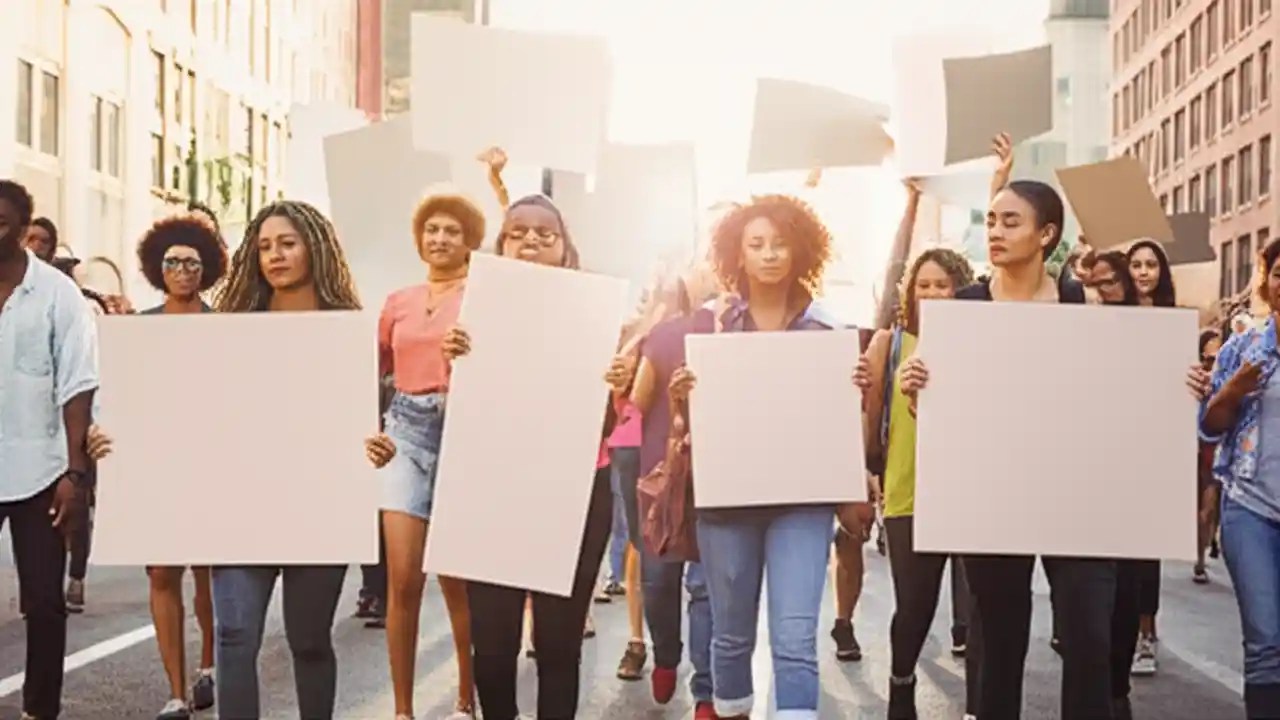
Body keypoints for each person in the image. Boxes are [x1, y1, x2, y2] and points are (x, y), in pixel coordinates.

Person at [898, 178, 1210, 720]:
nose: (994, 231)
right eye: (991, 221)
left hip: (1078, 502)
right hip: (995, 503)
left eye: (1010, 221)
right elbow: (941, 416)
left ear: (1047, 233)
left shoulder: (1083, 304)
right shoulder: (964, 309)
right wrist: (918, 388)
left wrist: (1178, 384)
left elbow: (1123, 395)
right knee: (997, 642)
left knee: (1089, 637)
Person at [668, 194, 842, 720]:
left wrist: (857, 390)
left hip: (804, 502)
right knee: (731, 636)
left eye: (780, 243)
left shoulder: (828, 331)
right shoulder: (711, 326)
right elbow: (684, 426)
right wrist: (683, 399)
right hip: (728, 499)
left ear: (801, 251)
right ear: (736, 255)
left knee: (794, 638)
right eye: (756, 244)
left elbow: (842, 427)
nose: (769, 254)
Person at [444, 194, 615, 720]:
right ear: (501, 244)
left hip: (575, 490)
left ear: (566, 248)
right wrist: (455, 360)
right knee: (492, 648)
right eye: (518, 232)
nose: (532, 241)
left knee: (559, 644)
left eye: (546, 233)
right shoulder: (470, 310)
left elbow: (606, 420)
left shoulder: (597, 313)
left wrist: (616, 381)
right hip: (492, 487)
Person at [373, 189, 484, 720]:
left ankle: (466, 695)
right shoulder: (396, 301)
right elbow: (363, 371)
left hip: (465, 429)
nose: (440, 239)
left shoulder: (484, 293)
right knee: (403, 578)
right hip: (406, 431)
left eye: (452, 232)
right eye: (432, 230)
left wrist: (497, 178)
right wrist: (365, 430)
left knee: (456, 579)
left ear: (469, 244)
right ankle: (402, 709)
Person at [853, 247, 977, 720]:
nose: (931, 292)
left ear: (959, 288)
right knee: (915, 606)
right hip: (908, 491)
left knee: (978, 612)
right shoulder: (891, 342)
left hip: (968, 491)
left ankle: (979, 702)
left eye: (941, 284)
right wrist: (865, 471)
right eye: (922, 284)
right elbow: (871, 415)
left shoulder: (975, 340)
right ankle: (901, 686)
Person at [0, 179, 98, 720]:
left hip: (41, 470)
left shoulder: (58, 295)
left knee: (44, 602)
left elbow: (78, 385)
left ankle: (40, 711)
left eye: (1, 222)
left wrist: (75, 474)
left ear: (22, 228)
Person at [618, 262, 723, 718]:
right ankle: (666, 656)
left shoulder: (742, 333)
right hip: (663, 476)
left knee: (705, 587)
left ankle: (704, 688)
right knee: (659, 578)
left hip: (720, 476)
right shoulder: (664, 335)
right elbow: (636, 404)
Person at [133, 214, 227, 719]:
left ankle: (209, 667)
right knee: (162, 572)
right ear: (158, 267)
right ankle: (175, 692)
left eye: (192, 262)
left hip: (210, 459)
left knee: (208, 572)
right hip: (157, 462)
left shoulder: (225, 327)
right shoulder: (137, 331)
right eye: (173, 262)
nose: (183, 270)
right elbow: (122, 399)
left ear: (206, 268)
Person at [1200, 237, 1280, 718]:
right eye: (1279, 273)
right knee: (1266, 640)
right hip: (1250, 508)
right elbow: (1208, 426)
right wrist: (1231, 390)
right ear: (1266, 282)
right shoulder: (1243, 348)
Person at [1125, 239, 1178, 678]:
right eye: (1136, 264)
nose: (1143, 271)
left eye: (1151, 264)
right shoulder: (1109, 317)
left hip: (1157, 447)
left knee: (1147, 551)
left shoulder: (1175, 323)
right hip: (1116, 446)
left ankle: (1146, 634)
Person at [1195, 329, 1224, 584]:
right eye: (1208, 358)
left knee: (1209, 507)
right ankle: (1200, 555)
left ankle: (1203, 554)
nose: (1212, 364)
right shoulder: (1193, 376)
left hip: (1214, 447)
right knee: (1199, 508)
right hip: (1196, 444)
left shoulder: (1228, 375)